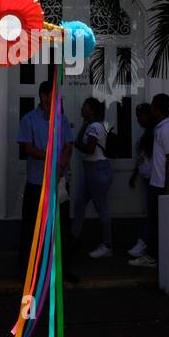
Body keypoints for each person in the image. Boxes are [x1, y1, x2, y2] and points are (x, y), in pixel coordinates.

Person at [18, 80, 73, 268]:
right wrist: (51, 156)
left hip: (59, 183)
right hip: (36, 183)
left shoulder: (62, 120)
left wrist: (63, 158)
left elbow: (68, 144)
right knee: (33, 227)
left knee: (61, 226)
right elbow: (28, 148)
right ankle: (31, 270)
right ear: (44, 97)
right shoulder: (29, 119)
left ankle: (61, 268)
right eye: (54, 95)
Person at [132, 93, 169, 269]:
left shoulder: (166, 129)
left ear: (158, 108)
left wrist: (168, 188)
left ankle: (152, 257)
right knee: (154, 221)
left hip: (160, 184)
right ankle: (154, 256)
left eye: (152, 105)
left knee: (155, 221)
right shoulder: (161, 128)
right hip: (157, 182)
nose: (150, 108)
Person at [71, 97, 114, 259]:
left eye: (85, 106)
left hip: (98, 171)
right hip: (90, 171)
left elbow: (89, 150)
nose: (82, 108)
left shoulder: (95, 126)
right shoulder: (91, 125)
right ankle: (74, 238)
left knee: (101, 207)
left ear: (92, 110)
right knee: (79, 204)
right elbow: (78, 141)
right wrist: (84, 122)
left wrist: (78, 146)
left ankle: (107, 245)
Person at [126, 102, 154, 259]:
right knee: (149, 211)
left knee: (150, 212)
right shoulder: (146, 134)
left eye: (140, 116)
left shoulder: (155, 133)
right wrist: (135, 174)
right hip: (146, 177)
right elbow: (141, 158)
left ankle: (144, 243)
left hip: (153, 179)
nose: (138, 120)